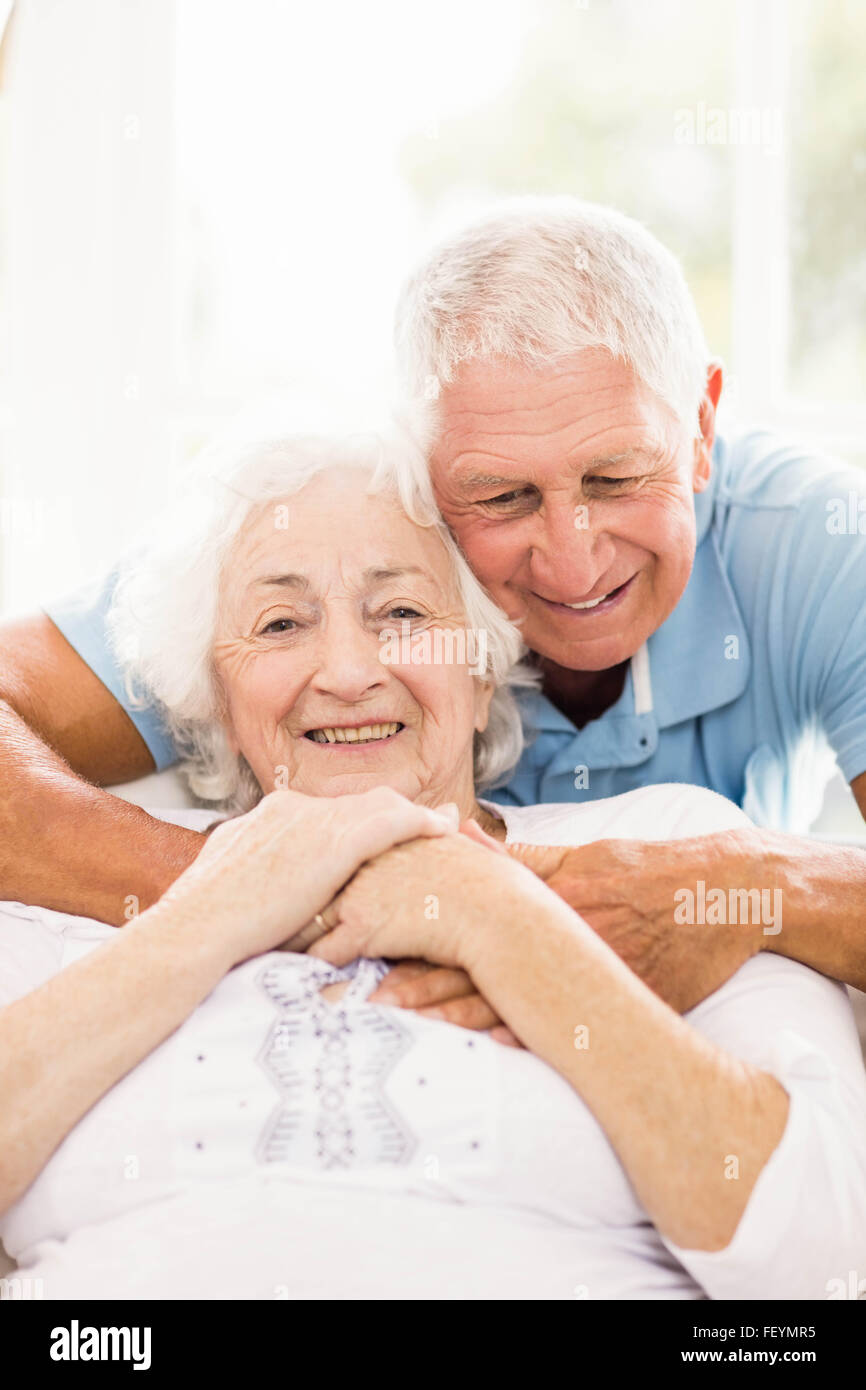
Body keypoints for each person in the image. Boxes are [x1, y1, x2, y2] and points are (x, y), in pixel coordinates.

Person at [2, 429, 864, 1300]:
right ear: (213, 701)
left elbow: (826, 1260)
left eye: (404, 614)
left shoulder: (674, 853)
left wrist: (492, 913)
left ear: (486, 667)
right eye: (281, 624)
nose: (346, 670)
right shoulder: (69, 898)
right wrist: (214, 906)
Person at [1, 197, 865, 1019]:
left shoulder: (821, 547)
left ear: (702, 430)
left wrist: (747, 886)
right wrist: (246, 890)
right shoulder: (351, 530)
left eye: (617, 478)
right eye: (502, 496)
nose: (573, 559)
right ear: (427, 472)